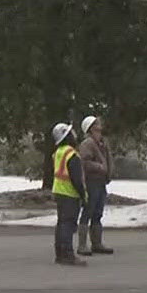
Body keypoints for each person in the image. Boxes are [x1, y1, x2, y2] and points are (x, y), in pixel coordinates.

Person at [77, 114, 114, 256]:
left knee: (98, 213)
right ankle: (82, 245)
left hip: (101, 182)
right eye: (97, 125)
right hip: (92, 182)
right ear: (91, 129)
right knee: (88, 211)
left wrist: (108, 172)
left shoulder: (102, 144)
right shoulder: (87, 144)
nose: (100, 127)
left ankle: (97, 243)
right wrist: (99, 167)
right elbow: (84, 162)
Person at [50, 122, 87, 267]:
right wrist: (83, 195)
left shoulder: (58, 152)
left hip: (59, 191)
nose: (75, 135)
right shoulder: (71, 154)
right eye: (71, 133)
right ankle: (67, 254)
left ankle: (60, 253)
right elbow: (76, 178)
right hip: (69, 193)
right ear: (67, 136)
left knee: (61, 223)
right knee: (68, 224)